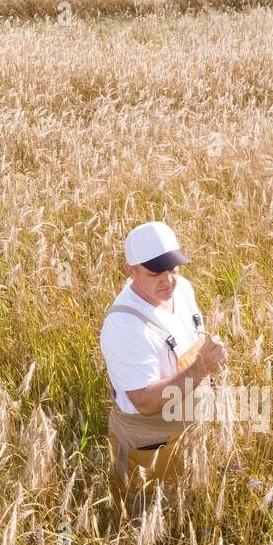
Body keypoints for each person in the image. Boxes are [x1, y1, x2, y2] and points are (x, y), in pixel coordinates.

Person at [99, 221, 227, 517]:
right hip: (149, 442)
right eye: (155, 272)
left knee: (192, 513)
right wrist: (200, 369)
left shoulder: (182, 290)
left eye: (173, 268)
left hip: (189, 426)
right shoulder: (124, 326)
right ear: (130, 270)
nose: (168, 280)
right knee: (146, 523)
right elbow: (143, 402)